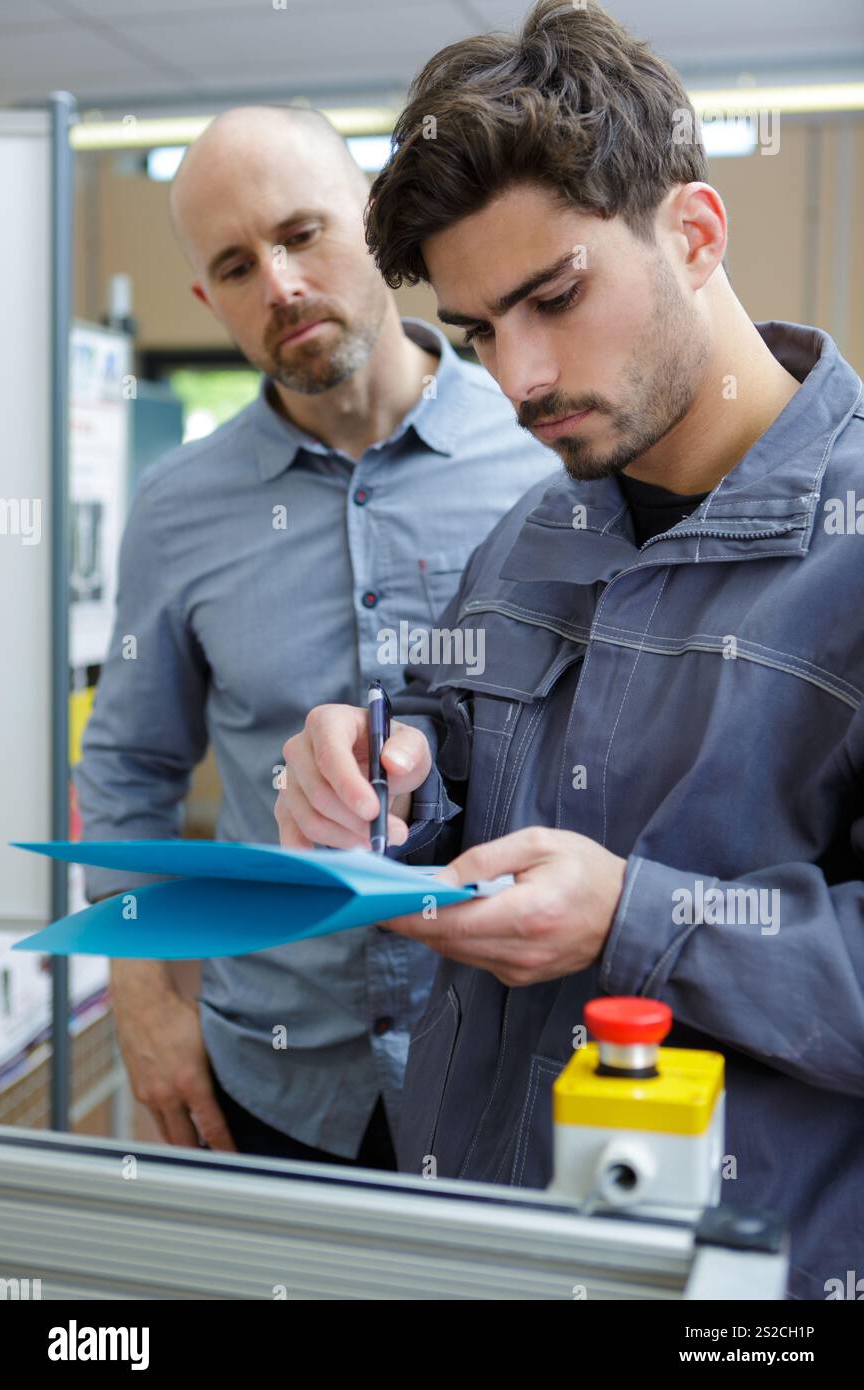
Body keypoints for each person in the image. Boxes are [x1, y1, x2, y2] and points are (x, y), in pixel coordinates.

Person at [276, 1, 864, 1296]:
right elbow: (446, 775)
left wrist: (633, 919)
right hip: (469, 1244)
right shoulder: (530, 533)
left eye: (556, 296)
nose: (521, 377)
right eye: (481, 330)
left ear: (695, 233)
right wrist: (380, 779)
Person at [75, 104, 554, 1167]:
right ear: (208, 300)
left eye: (301, 235)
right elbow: (127, 764)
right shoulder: (177, 507)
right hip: (274, 1081)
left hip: (506, 1064)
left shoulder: (543, 457)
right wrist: (144, 1000)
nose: (280, 285)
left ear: (376, 227)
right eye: (236, 266)